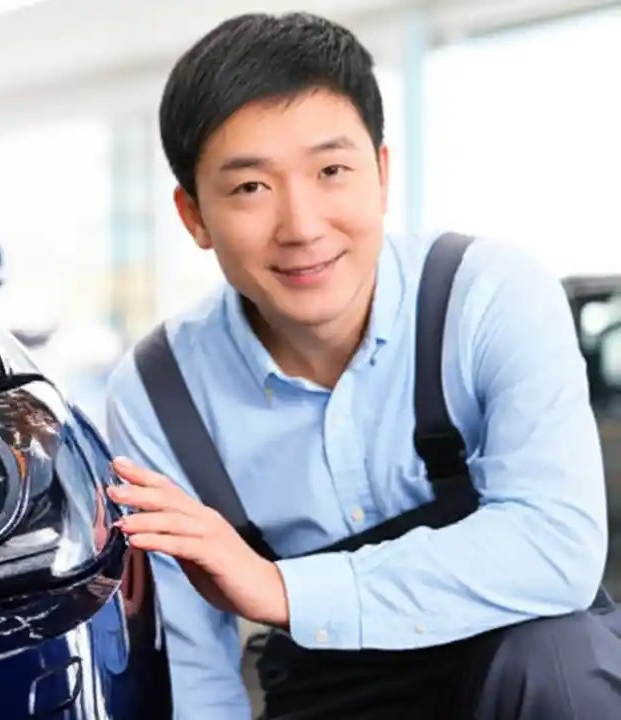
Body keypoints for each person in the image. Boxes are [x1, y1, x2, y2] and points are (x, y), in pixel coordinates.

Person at [102, 11, 621, 720]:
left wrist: (279, 590)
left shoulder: (489, 295)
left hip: (523, 673)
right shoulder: (158, 391)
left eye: (332, 171)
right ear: (193, 215)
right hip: (327, 695)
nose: (303, 226)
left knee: (561, 661)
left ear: (379, 172)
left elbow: (556, 549)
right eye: (251, 187)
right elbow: (196, 665)